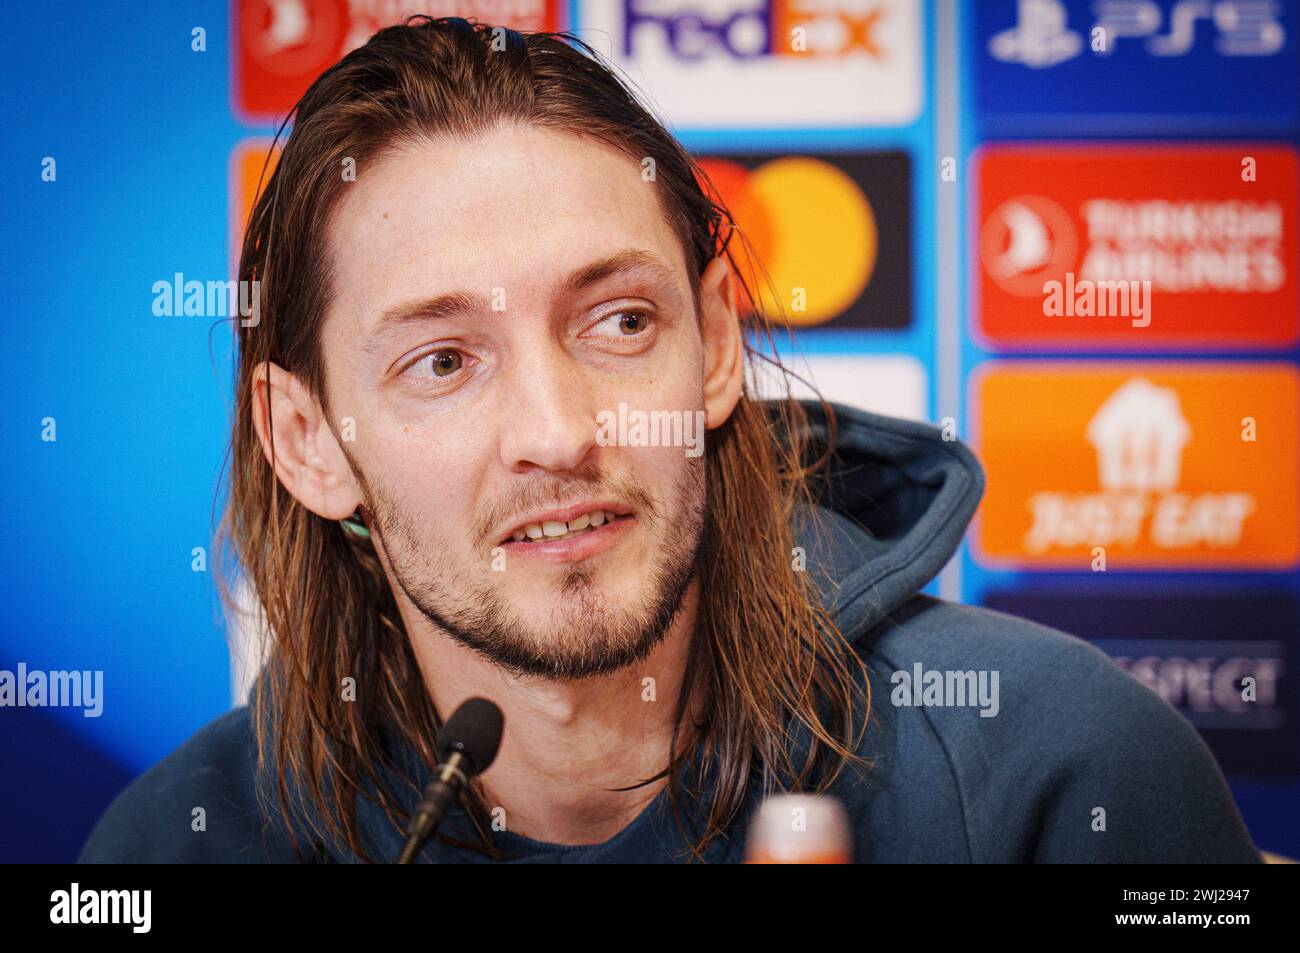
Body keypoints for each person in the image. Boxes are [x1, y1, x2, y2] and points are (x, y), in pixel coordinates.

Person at [78, 16, 1260, 864]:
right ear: (307, 439)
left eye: (619, 320)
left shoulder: (1065, 773)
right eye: (442, 361)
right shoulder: (172, 844)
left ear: (709, 350)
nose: (556, 432)